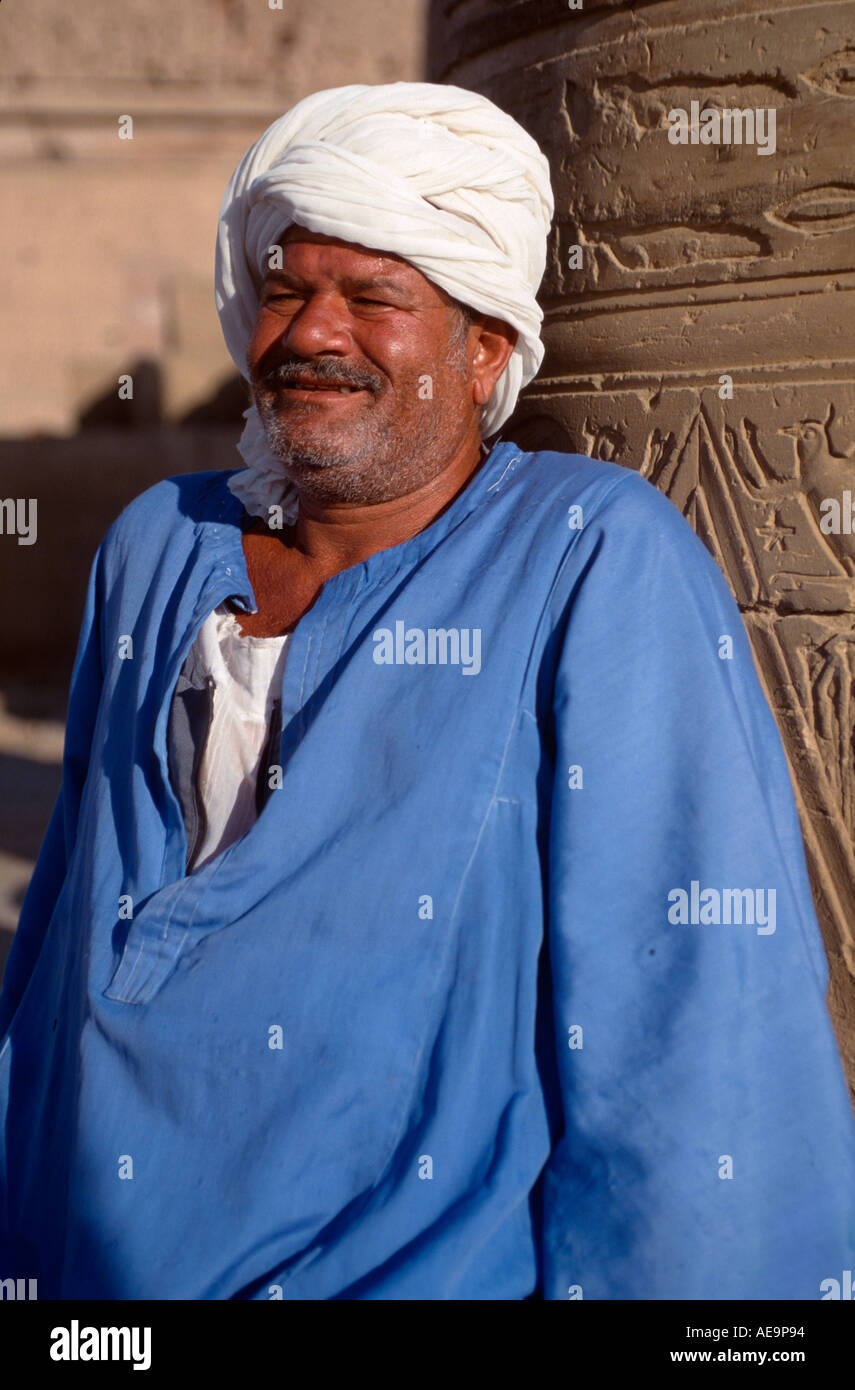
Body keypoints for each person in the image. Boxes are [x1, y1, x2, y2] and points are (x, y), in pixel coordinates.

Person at [1, 81, 854, 1301]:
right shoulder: (156, 547)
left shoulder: (589, 556)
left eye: (377, 298)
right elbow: (63, 955)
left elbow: (692, 1015)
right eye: (288, 286)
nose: (313, 333)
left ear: (486, 345)